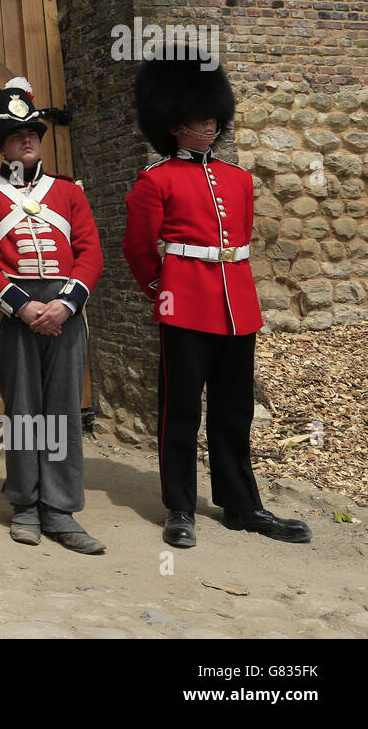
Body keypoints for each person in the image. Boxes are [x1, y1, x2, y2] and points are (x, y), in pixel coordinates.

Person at [123, 55, 311, 548]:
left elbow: (241, 239)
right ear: (174, 123)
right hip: (184, 302)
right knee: (181, 409)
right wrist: (161, 291)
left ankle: (241, 504)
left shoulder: (238, 179)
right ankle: (180, 506)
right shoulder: (155, 180)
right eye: (200, 114)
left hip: (237, 304)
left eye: (213, 114)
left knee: (234, 410)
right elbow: (139, 249)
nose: (210, 121)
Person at [0, 78, 105, 553]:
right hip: (14, 311)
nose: (27, 139)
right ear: (1, 144)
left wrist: (65, 303)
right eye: (17, 134)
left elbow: (90, 252)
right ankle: (25, 503)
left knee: (62, 410)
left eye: (33, 133)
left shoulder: (68, 192)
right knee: (23, 411)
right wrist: (22, 305)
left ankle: (60, 509)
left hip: (64, 308)